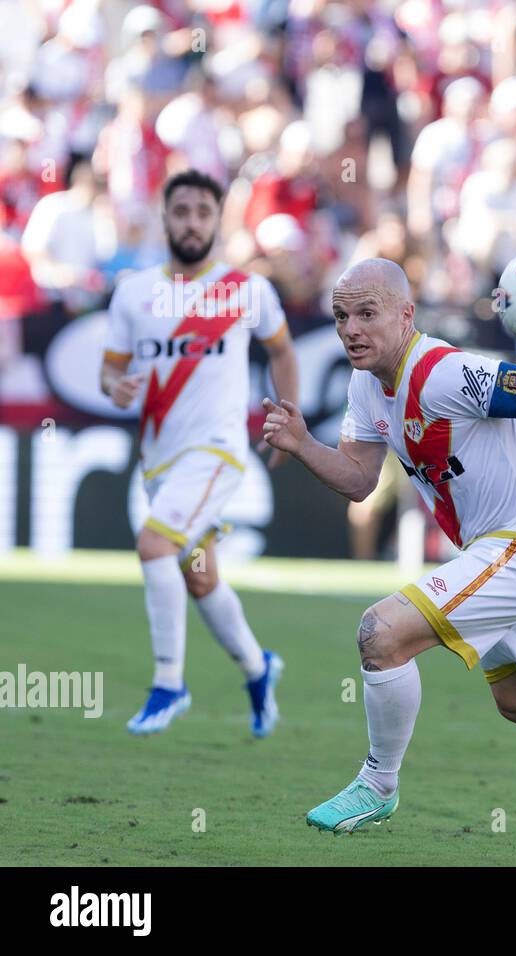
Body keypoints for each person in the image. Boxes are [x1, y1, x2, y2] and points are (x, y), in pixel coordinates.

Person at [261, 258, 516, 866]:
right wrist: (302, 446)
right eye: (342, 315)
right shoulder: (366, 385)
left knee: (381, 632)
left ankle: (378, 784)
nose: (351, 329)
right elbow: (357, 481)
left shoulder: (445, 371)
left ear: (406, 315)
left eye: (368, 313)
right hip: (502, 548)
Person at [99, 169, 299, 737]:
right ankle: (259, 670)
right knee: (199, 575)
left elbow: (282, 351)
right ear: (164, 217)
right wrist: (114, 387)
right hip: (158, 460)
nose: (192, 222)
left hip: (217, 452)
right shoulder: (134, 292)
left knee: (154, 543)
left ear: (217, 221)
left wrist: (286, 415)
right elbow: (110, 369)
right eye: (181, 210)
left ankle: (169, 684)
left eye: (203, 212)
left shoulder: (246, 289)